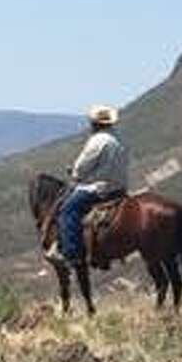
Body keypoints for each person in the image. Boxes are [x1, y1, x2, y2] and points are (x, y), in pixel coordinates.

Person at [55, 105, 130, 264]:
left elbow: (82, 168)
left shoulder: (97, 141)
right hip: (120, 188)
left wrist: (74, 173)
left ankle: (71, 254)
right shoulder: (118, 139)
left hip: (100, 189)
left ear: (95, 124)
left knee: (68, 211)